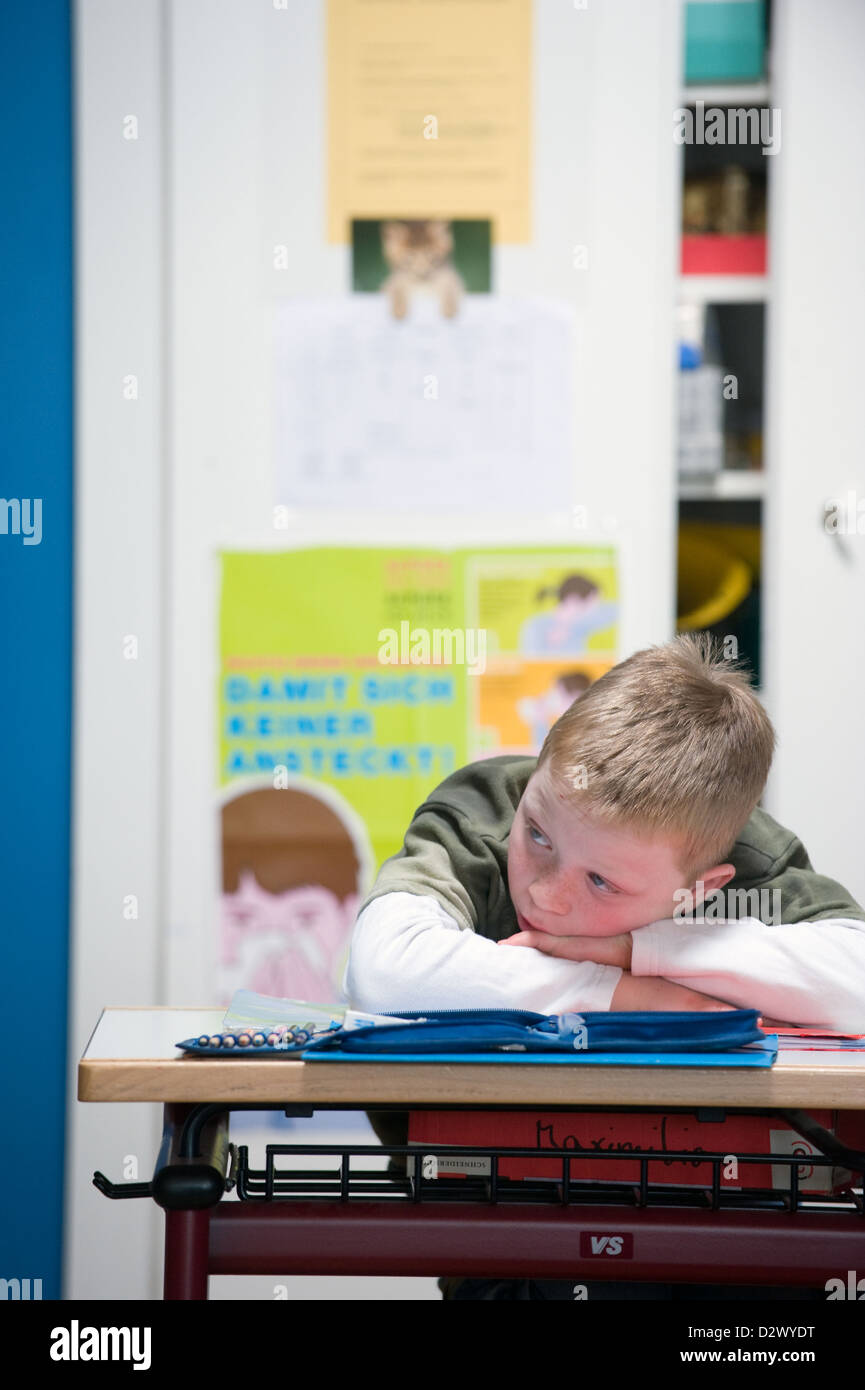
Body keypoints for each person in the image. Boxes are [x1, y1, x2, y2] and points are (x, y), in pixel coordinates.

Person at [343, 632, 865, 1299]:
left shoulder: (745, 863)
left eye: (600, 883)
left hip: (723, 1241)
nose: (543, 893)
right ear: (536, 770)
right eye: (537, 835)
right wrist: (623, 994)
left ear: (699, 888)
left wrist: (642, 949)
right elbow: (384, 972)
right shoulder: (482, 814)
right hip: (504, 1241)